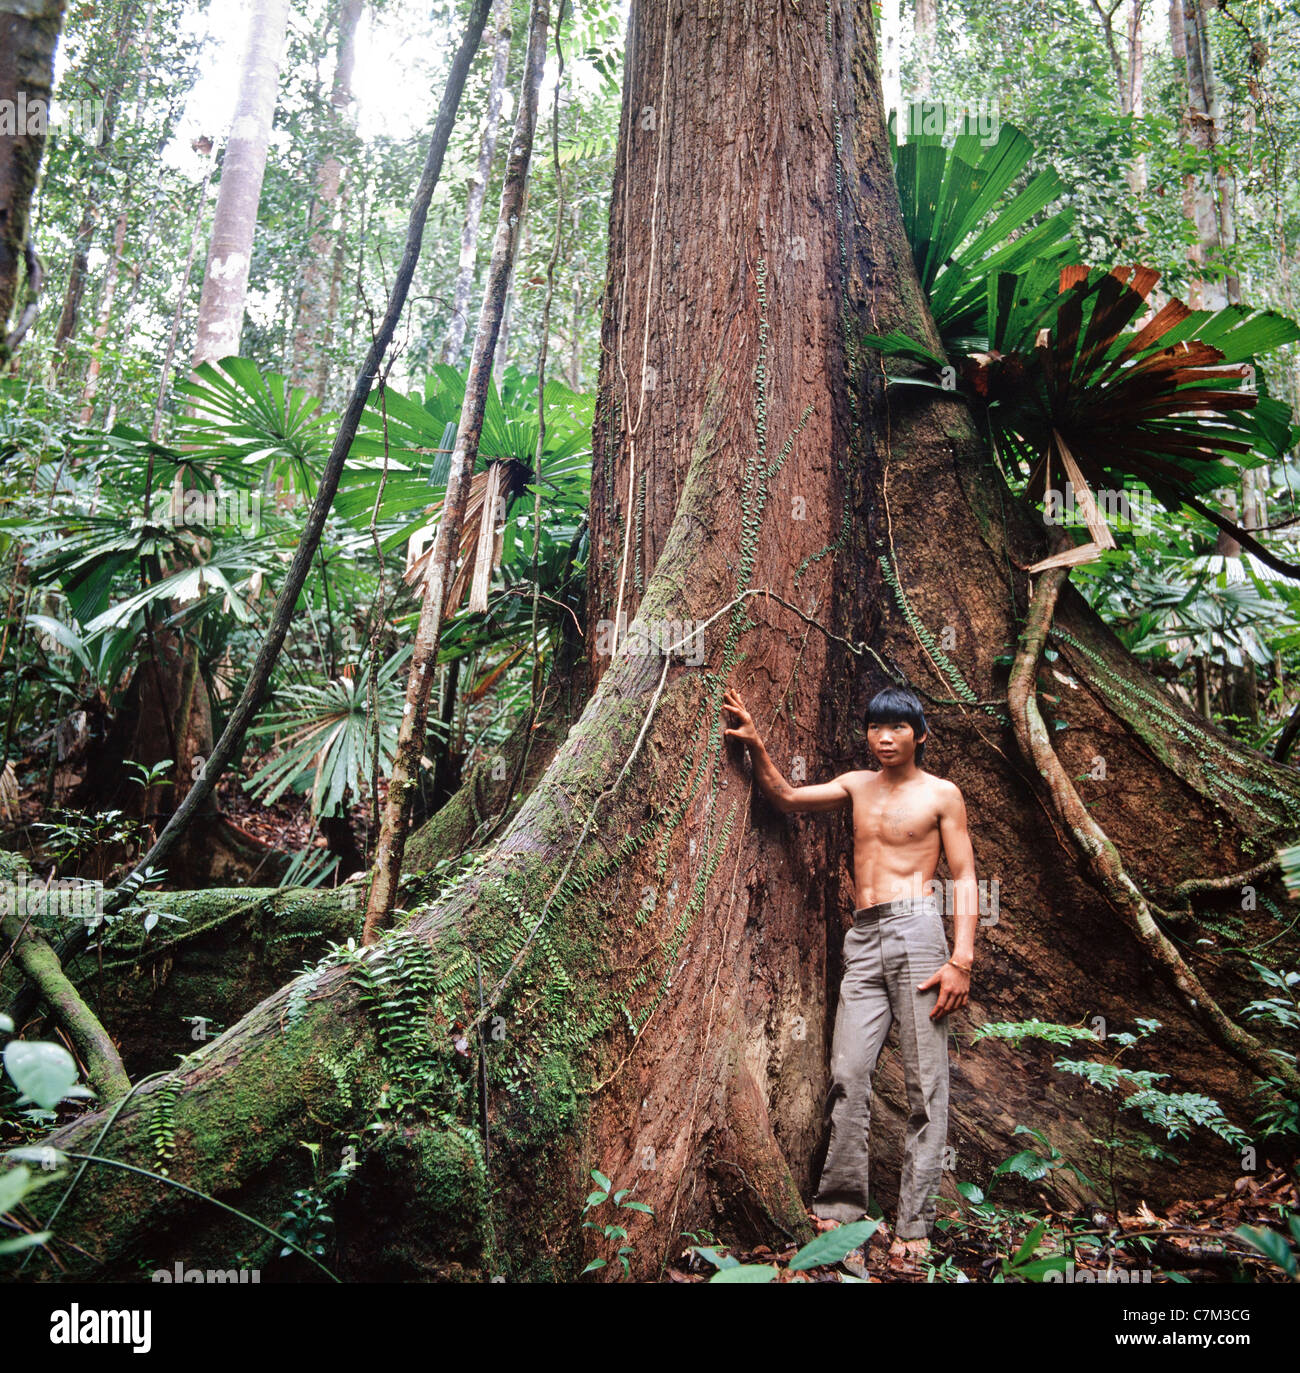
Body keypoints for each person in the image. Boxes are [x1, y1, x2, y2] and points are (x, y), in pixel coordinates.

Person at [721, 683, 978, 1271]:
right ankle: (840, 1205)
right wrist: (756, 743)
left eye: (897, 729)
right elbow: (785, 797)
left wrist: (960, 959)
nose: (885, 739)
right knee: (848, 1071)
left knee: (926, 1084)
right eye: (875, 728)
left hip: (919, 936)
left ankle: (915, 1223)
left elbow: (964, 879)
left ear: (919, 735)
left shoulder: (942, 795)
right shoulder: (856, 786)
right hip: (863, 937)